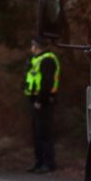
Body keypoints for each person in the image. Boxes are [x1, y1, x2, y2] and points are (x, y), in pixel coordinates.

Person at [25, 37, 60, 173]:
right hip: (36, 100)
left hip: (44, 102)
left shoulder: (48, 60)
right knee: (37, 133)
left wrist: (40, 100)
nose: (31, 48)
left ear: (38, 46)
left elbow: (47, 82)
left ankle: (48, 163)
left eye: (33, 46)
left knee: (44, 134)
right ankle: (39, 162)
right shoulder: (36, 60)